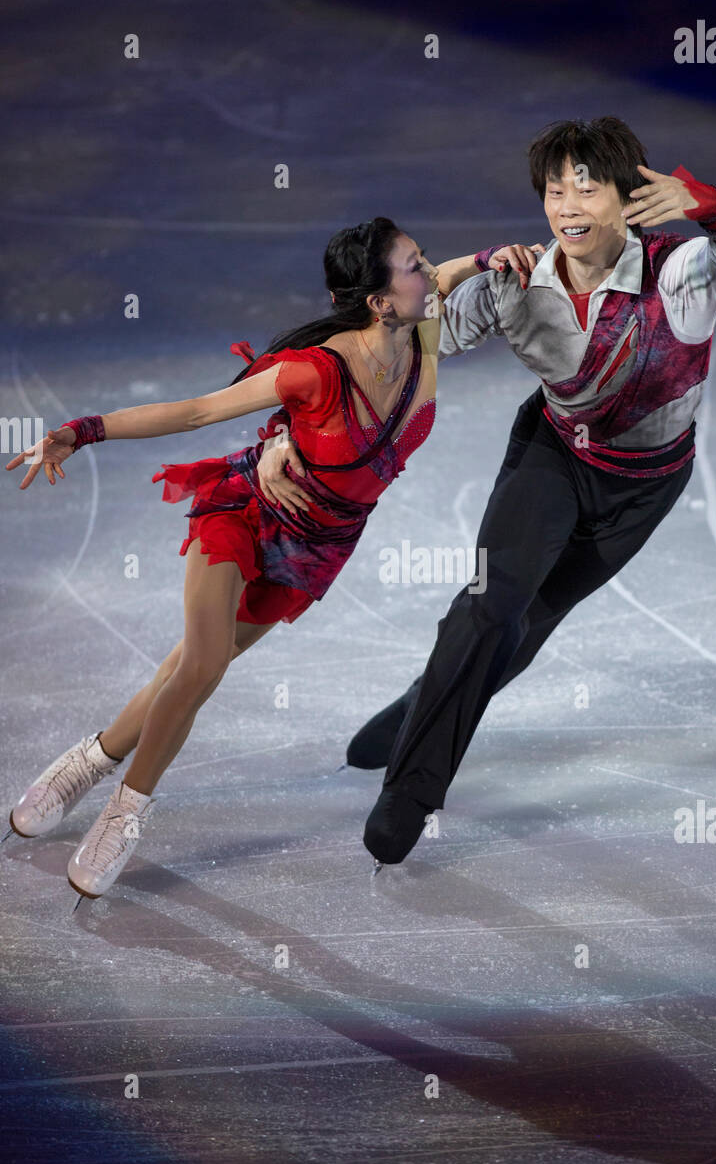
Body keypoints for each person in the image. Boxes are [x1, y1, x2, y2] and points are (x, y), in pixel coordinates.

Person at [258, 116, 716, 866]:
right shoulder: (519, 279)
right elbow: (391, 338)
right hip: (552, 457)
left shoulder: (679, 271)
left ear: (629, 196)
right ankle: (412, 790)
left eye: (587, 189)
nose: (568, 206)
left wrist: (713, 203)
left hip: (646, 486)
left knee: (527, 628)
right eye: (556, 189)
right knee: (492, 605)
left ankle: (421, 705)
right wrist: (282, 426)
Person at [2, 218, 535, 898]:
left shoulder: (423, 339)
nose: (428, 272)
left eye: (423, 259)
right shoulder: (316, 368)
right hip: (248, 513)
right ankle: (124, 812)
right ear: (378, 300)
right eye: (412, 266)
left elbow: (452, 276)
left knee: (185, 667)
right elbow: (199, 411)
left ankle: (91, 758)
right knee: (202, 663)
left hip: (317, 549)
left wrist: (488, 258)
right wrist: (82, 432)